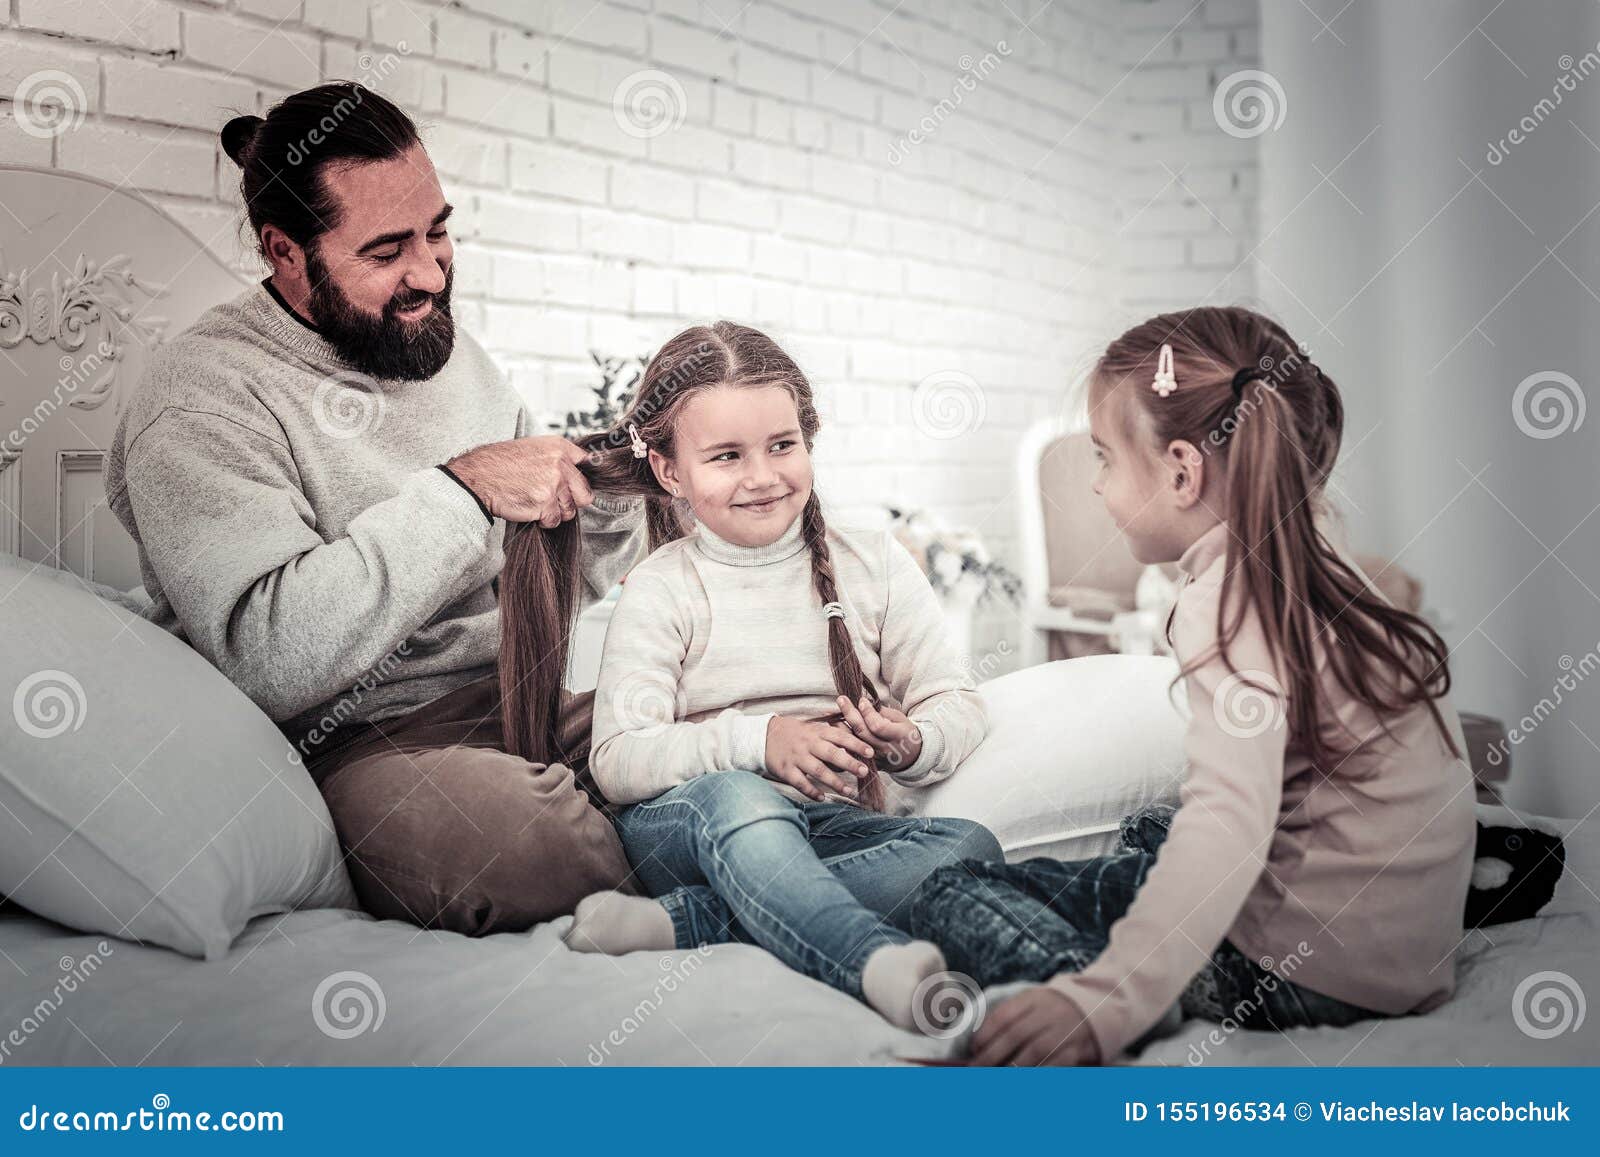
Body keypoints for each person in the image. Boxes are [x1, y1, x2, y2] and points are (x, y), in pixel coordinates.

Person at [103, 84, 645, 936]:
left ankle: (712, 849)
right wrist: (462, 488)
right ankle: (713, 858)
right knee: (532, 845)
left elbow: (542, 569)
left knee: (728, 736)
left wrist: (614, 499)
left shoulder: (441, 345)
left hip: (518, 696)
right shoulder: (204, 398)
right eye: (388, 249)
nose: (429, 273)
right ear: (285, 251)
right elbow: (269, 654)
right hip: (363, 746)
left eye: (438, 230)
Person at [909, 306, 1477, 1064]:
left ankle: (1080, 994)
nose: (1099, 486)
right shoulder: (1323, 562)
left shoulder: (1227, 601)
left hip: (1308, 969)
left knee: (948, 892)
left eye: (1105, 459)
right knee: (1153, 824)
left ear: (1181, 471)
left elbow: (1227, 824)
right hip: (1401, 949)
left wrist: (1107, 999)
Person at [494, 321, 1001, 1030]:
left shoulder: (875, 563)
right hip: (694, 824)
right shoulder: (663, 586)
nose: (762, 476)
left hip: (826, 824)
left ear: (808, 439)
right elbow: (617, 758)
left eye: (782, 445)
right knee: (738, 797)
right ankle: (870, 959)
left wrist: (914, 740)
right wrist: (758, 742)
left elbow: (956, 698)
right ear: (671, 471)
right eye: (727, 456)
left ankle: (687, 924)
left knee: (969, 846)